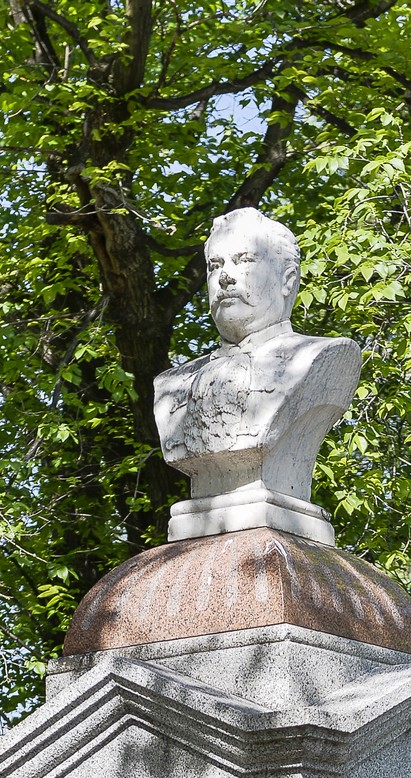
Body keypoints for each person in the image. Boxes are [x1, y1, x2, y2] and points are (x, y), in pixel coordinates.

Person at [154, 207, 361, 542]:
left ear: (287, 279)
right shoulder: (171, 385)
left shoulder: (321, 358)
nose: (225, 277)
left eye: (244, 260)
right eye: (215, 265)